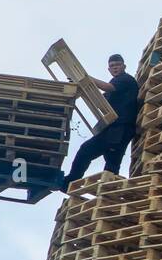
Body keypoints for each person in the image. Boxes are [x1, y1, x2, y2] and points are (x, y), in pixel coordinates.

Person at [58, 53, 139, 190]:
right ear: (108, 69)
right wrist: (79, 86)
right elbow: (97, 98)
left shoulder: (125, 80)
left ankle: (70, 182)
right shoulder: (115, 86)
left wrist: (85, 79)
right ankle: (108, 194)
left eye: (117, 65)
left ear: (124, 66)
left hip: (119, 129)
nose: (114, 68)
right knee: (112, 165)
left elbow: (107, 87)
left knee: (86, 150)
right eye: (112, 66)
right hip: (116, 130)